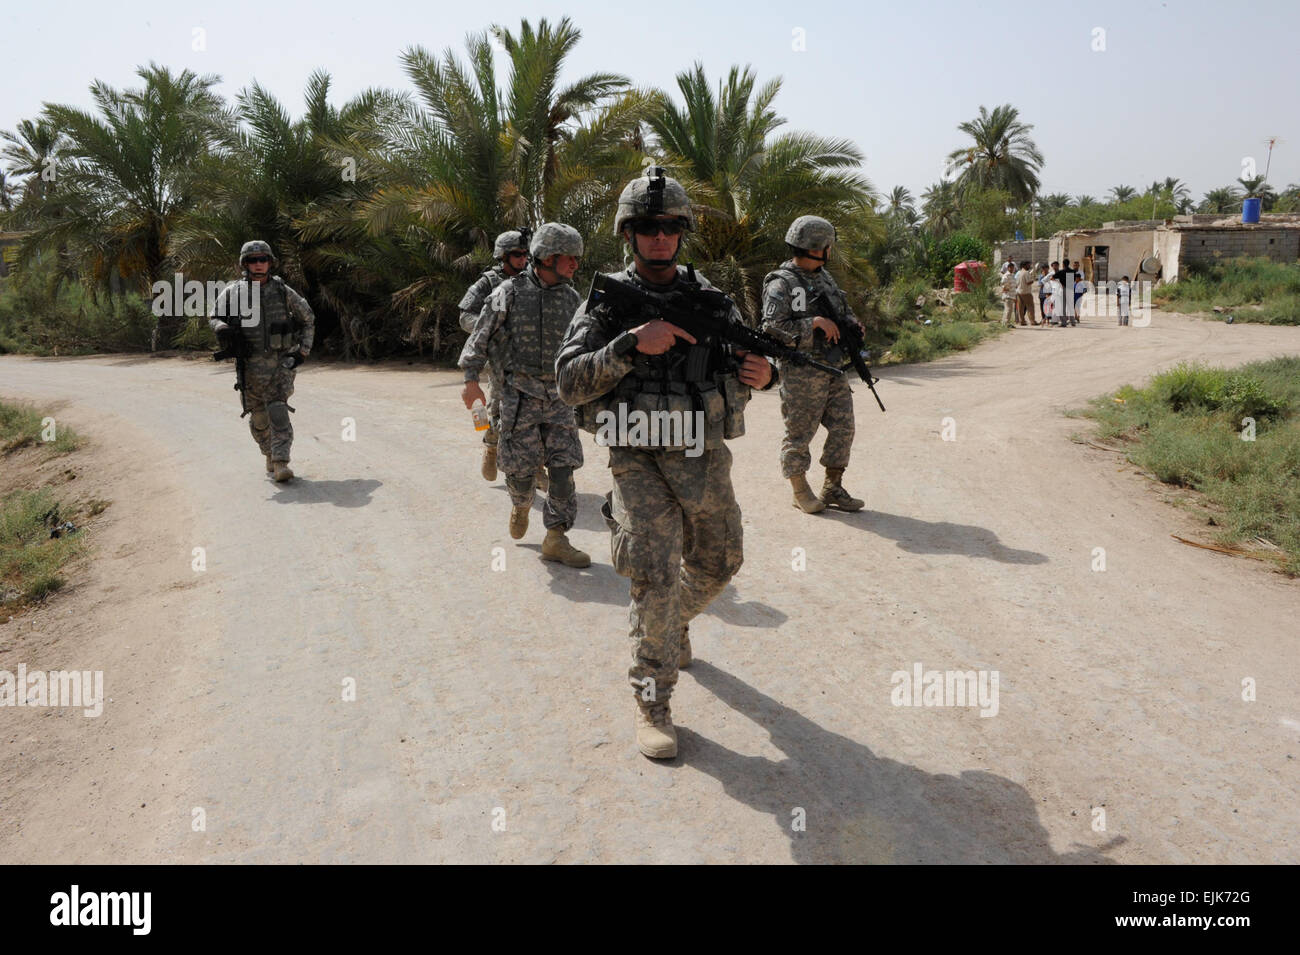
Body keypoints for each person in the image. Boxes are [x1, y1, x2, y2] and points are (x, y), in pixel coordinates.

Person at [555, 167, 778, 760]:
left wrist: (765, 372)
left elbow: (741, 363)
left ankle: (671, 623)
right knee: (654, 577)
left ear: (683, 233)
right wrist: (631, 343)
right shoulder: (605, 303)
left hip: (702, 456)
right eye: (648, 227)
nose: (660, 238)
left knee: (721, 562)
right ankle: (653, 698)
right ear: (629, 233)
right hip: (636, 455)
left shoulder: (711, 300)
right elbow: (568, 382)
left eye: (671, 227)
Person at [460, 223, 589, 568]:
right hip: (518, 397)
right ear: (547, 257)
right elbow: (479, 337)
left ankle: (557, 537)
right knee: (519, 473)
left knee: (564, 470)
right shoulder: (507, 292)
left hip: (559, 399)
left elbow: (583, 347)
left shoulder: (572, 298)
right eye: (570, 257)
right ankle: (520, 502)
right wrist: (471, 379)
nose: (576, 264)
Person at [760, 215, 865, 514]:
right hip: (803, 370)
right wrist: (813, 324)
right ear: (819, 247)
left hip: (833, 366)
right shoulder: (783, 283)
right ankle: (799, 489)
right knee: (799, 433)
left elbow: (842, 309)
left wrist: (852, 325)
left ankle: (833, 486)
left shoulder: (823, 277)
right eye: (829, 245)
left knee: (844, 426)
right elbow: (771, 327)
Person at [209, 240, 315, 481]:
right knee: (258, 419)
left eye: (263, 259)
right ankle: (268, 453)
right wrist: (222, 327)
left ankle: (280, 463)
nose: (259, 264)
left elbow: (308, 318)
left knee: (278, 410)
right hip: (249, 368)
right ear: (245, 264)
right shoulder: (233, 292)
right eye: (253, 260)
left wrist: (302, 352)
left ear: (270, 262)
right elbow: (214, 316)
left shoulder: (283, 291)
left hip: (280, 364)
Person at [458, 230, 530, 483]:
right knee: (490, 408)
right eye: (517, 254)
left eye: (525, 254)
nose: (523, 259)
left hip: (527, 357)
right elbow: (464, 315)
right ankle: (489, 443)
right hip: (497, 357)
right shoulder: (488, 282)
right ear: (503, 256)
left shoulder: (532, 278)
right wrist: (491, 327)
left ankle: (533, 468)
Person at [1015, 260, 1038, 326]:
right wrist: (1033, 280)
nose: (1029, 266)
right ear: (1024, 265)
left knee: (1020, 308)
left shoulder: (1018, 273)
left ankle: (1021, 321)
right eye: (1028, 265)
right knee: (1030, 307)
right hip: (1026, 292)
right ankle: (1032, 321)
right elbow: (1028, 282)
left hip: (1019, 292)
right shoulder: (1026, 273)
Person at [1000, 262, 1017, 328]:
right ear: (1008, 268)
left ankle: (1005, 322)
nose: (1012, 269)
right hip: (1007, 295)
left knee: (1008, 309)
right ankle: (1006, 323)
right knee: (1008, 309)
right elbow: (1002, 284)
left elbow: (1014, 285)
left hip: (1012, 295)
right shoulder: (1006, 275)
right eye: (1011, 268)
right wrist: (1005, 288)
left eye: (1013, 268)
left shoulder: (1012, 275)